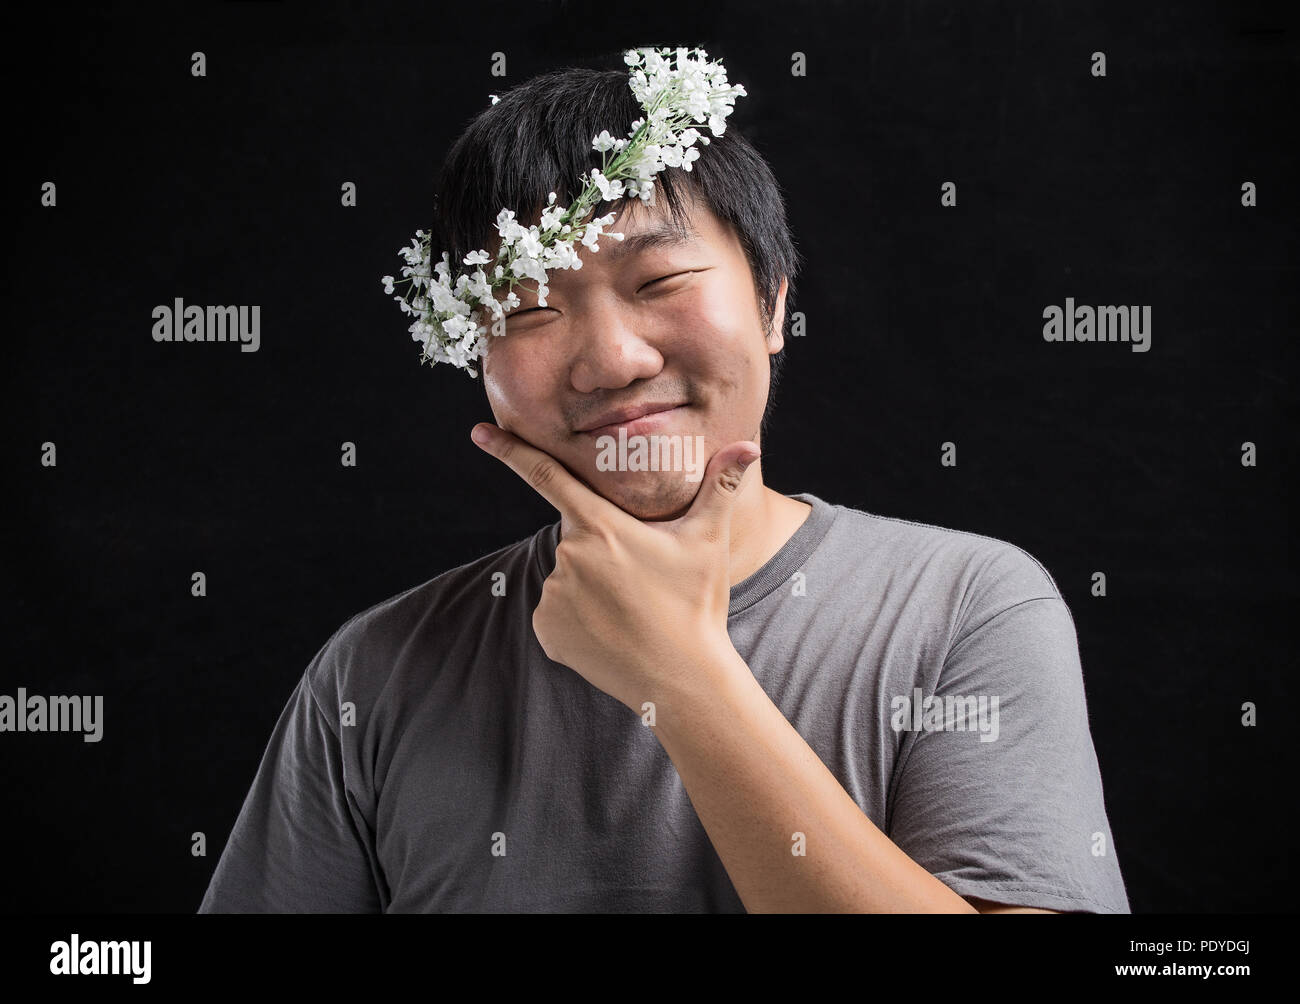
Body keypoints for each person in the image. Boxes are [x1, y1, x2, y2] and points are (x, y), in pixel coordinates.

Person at [198, 61, 1130, 914]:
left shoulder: (966, 609)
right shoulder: (373, 674)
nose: (609, 360)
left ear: (771, 302)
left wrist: (680, 674)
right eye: (527, 308)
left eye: (660, 280)